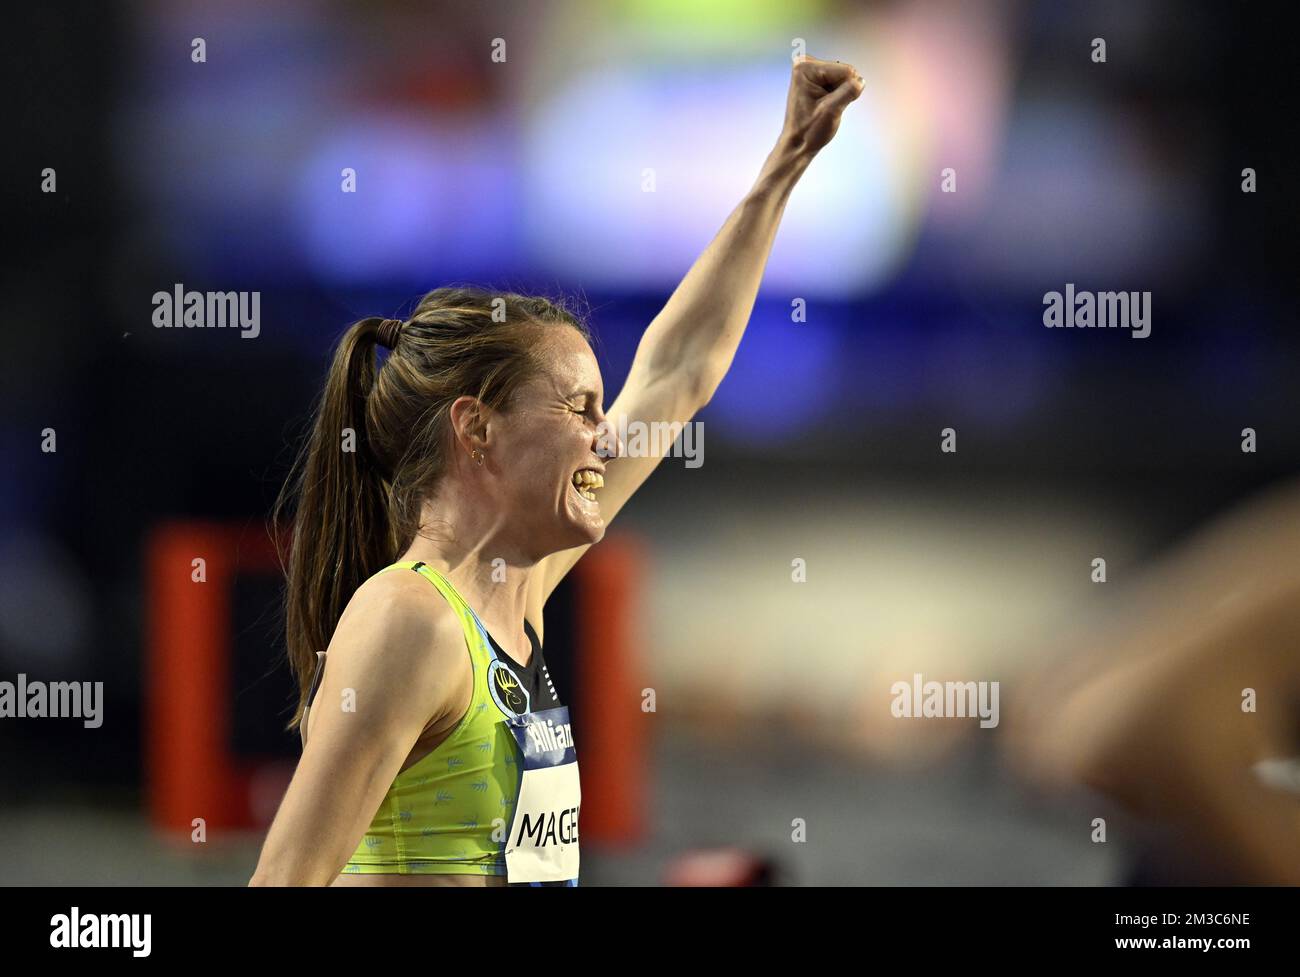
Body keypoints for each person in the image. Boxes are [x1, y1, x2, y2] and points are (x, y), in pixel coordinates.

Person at [249, 55, 865, 886]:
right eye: (579, 409)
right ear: (478, 430)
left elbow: (678, 371)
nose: (603, 437)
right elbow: (285, 880)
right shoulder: (409, 622)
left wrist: (784, 165)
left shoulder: (513, 595)